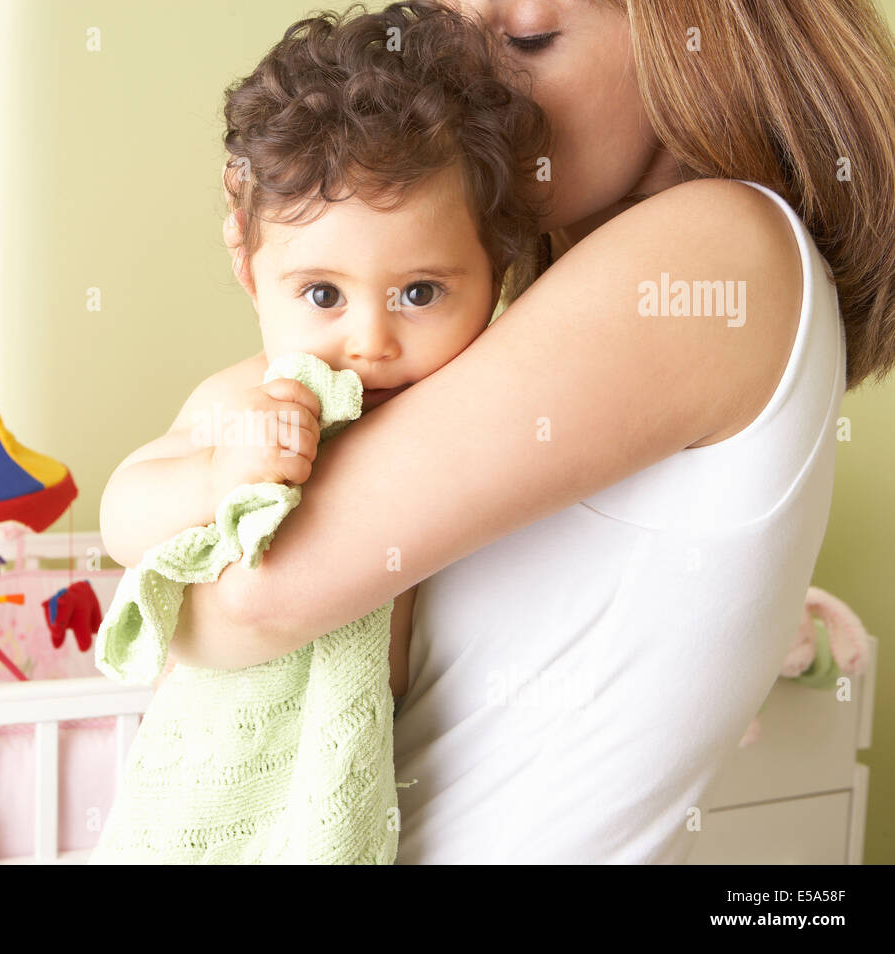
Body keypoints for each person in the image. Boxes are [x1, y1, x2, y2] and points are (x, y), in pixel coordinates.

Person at [108, 0, 895, 863]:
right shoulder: (515, 331)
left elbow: (260, 597)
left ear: (692, 41)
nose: (465, 82)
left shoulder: (712, 254)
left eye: (524, 39)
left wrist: (179, 561)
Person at [94, 3, 549, 861]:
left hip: (405, 779)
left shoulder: (478, 410)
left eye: (420, 293)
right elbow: (124, 516)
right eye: (323, 295)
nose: (371, 342)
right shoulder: (254, 398)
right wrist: (218, 474)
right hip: (229, 789)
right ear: (247, 266)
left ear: (497, 272)